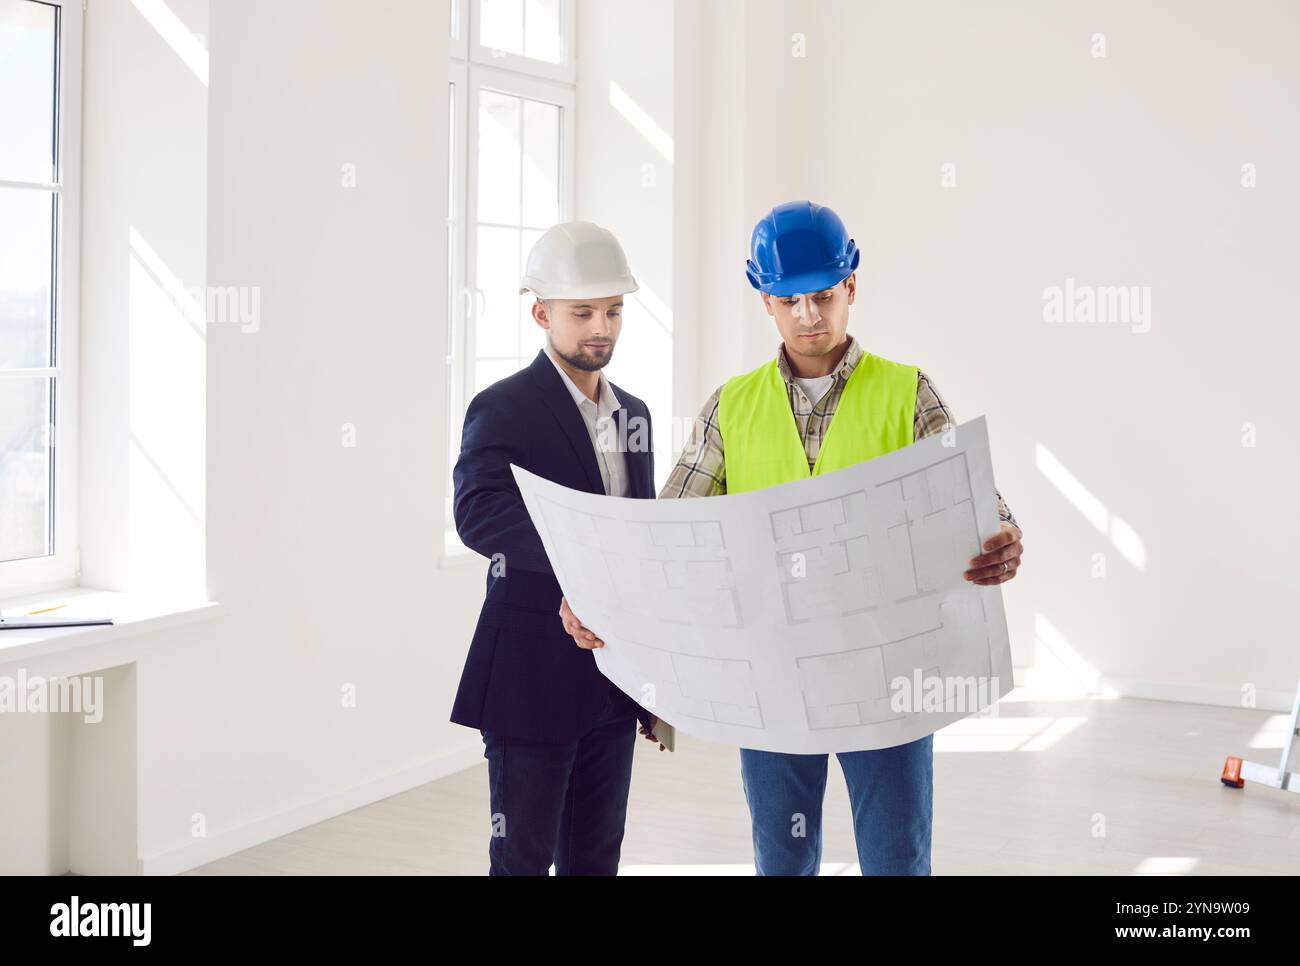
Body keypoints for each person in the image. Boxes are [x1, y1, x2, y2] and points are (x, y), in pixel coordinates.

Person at [565, 200, 1025, 875]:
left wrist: (1004, 533)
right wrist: (596, 600)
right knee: (782, 859)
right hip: (775, 679)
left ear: (851, 288)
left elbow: (977, 503)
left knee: (897, 858)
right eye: (790, 299)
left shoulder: (907, 391)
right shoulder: (732, 405)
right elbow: (666, 536)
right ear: (766, 303)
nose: (809, 315)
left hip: (887, 678)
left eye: (824, 296)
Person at [450, 221, 662, 876]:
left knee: (596, 862)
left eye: (613, 310)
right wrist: (577, 565)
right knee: (522, 860)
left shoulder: (636, 416)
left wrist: (654, 676)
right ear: (542, 313)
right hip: (529, 676)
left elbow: (638, 541)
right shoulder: (504, 407)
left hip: (611, 682)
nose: (602, 326)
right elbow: (478, 512)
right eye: (583, 312)